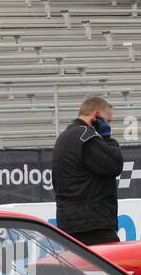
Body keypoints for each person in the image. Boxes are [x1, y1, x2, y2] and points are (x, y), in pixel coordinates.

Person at [53, 95, 124, 246]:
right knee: (110, 268)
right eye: (108, 121)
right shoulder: (87, 137)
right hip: (92, 225)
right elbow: (114, 164)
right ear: (96, 116)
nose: (108, 125)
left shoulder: (64, 137)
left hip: (69, 223)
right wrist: (106, 138)